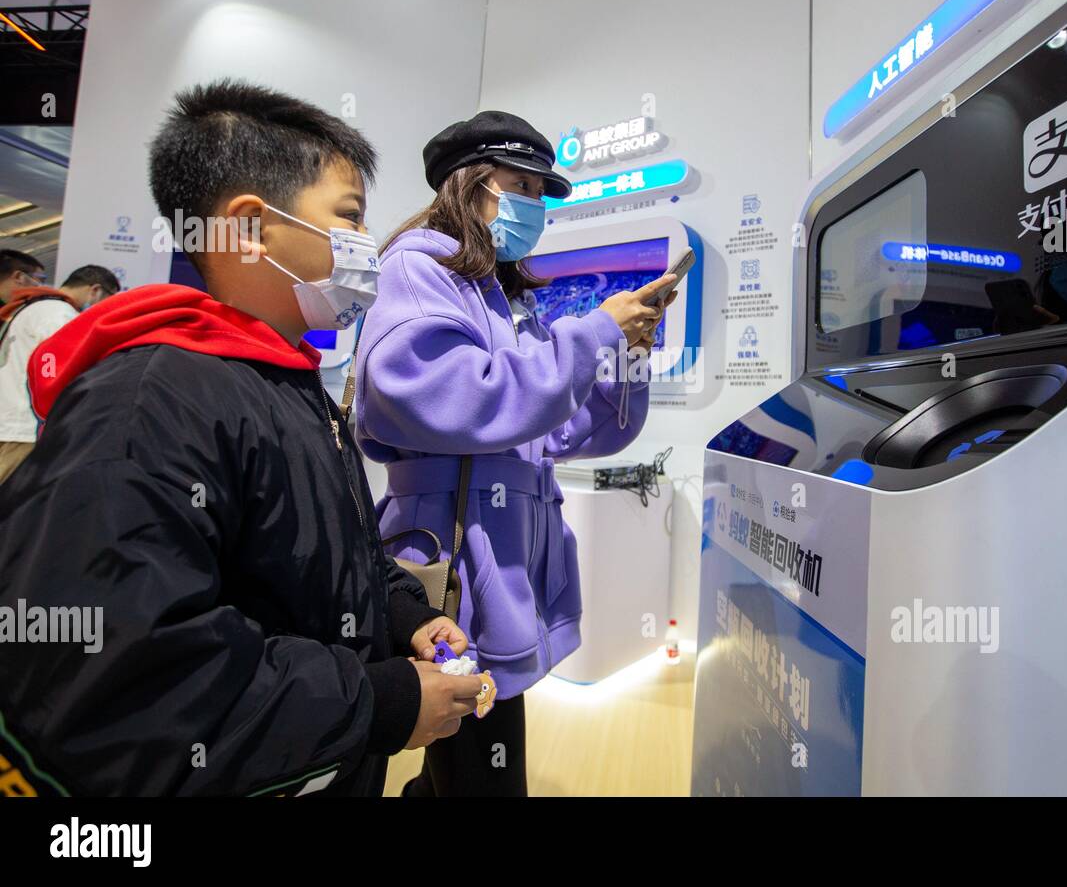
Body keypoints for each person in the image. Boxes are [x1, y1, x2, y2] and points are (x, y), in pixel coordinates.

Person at [0, 79, 483, 796]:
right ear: (250, 228)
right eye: (348, 219)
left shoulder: (287, 385)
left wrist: (404, 615)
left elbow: (333, 553)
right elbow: (125, 689)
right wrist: (382, 701)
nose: (366, 247)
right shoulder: (144, 408)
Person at [354, 110, 675, 796]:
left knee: (472, 762)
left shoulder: (501, 298)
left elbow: (555, 431)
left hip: (506, 563)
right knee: (483, 768)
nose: (534, 204)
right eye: (519, 184)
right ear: (469, 184)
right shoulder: (419, 266)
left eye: (542, 191)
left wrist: (627, 359)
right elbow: (452, 396)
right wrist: (592, 335)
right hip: (458, 566)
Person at [0, 261, 120, 483]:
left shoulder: (32, 307)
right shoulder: (59, 313)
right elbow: (64, 371)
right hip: (26, 428)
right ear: (95, 290)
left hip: (12, 422)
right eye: (108, 299)